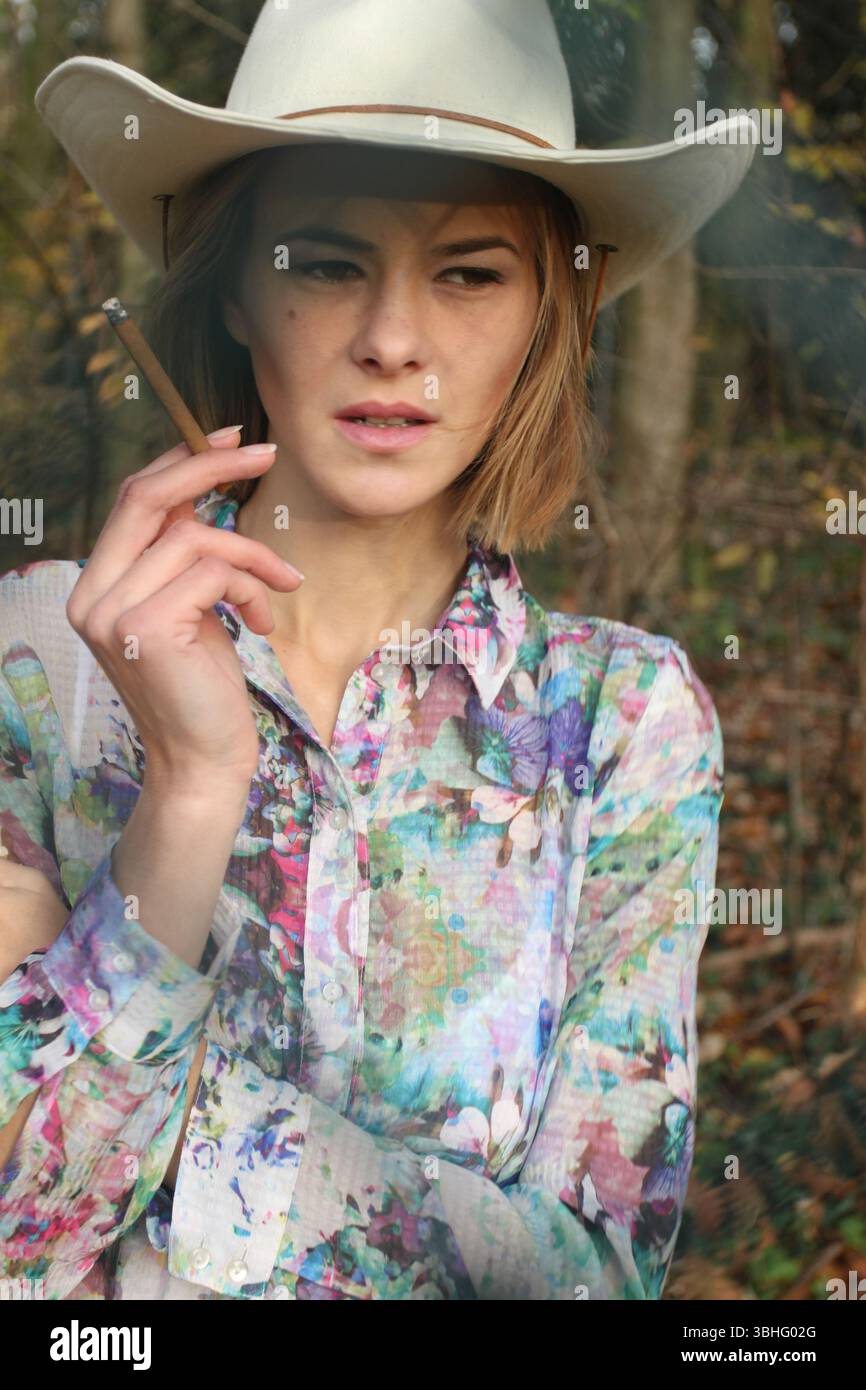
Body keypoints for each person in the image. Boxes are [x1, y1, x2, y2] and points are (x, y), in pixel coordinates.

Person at [0, 0, 755, 1300]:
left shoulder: (623, 723)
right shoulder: (38, 662)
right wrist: (184, 795)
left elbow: (587, 1275)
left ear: (542, 318)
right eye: (325, 258)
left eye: (469, 271)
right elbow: (17, 1215)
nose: (393, 338)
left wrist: (179, 1166)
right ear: (234, 283)